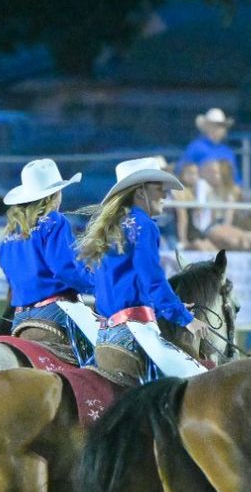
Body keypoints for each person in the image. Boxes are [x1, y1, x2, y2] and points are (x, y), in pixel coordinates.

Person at [76, 156, 206, 384]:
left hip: (106, 334)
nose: (165, 195)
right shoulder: (144, 226)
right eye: (159, 189)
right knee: (198, 380)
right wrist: (186, 319)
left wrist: (162, 306)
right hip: (135, 334)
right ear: (140, 192)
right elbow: (153, 280)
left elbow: (127, 285)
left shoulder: (112, 226)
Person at [0, 158, 99, 364]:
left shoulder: (11, 232)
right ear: (54, 195)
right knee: (103, 352)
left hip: (20, 316)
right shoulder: (55, 221)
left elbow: (7, 268)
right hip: (55, 312)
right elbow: (65, 267)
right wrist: (96, 284)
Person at [180, 107, 238, 185]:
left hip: (224, 194)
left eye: (222, 126)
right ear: (207, 127)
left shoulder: (228, 151)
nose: (220, 129)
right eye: (215, 125)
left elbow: (235, 178)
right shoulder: (195, 147)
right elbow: (182, 171)